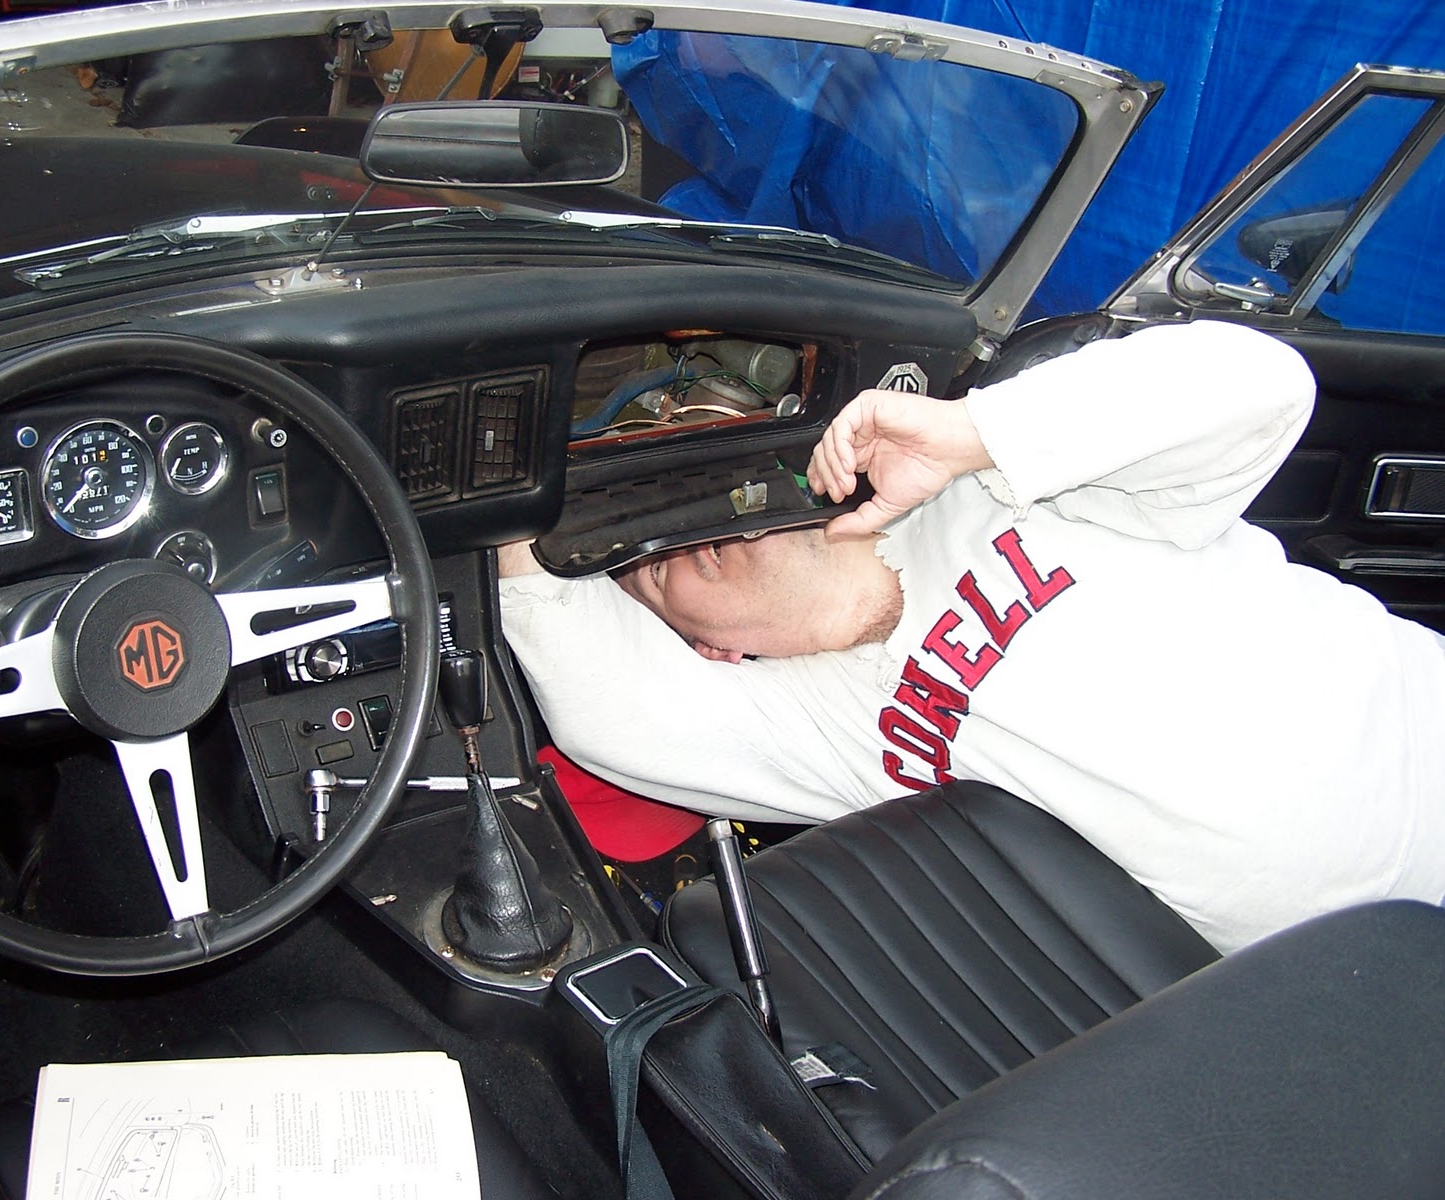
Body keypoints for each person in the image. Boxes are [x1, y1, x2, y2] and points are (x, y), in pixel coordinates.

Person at [497, 320, 1445, 953]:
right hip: (1364, 978)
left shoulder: (999, 481)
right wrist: (499, 506)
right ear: (712, 651)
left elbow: (1260, 381)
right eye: (659, 569)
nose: (695, 541)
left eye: (700, 510)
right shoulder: (823, 730)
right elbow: (605, 712)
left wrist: (976, 430)